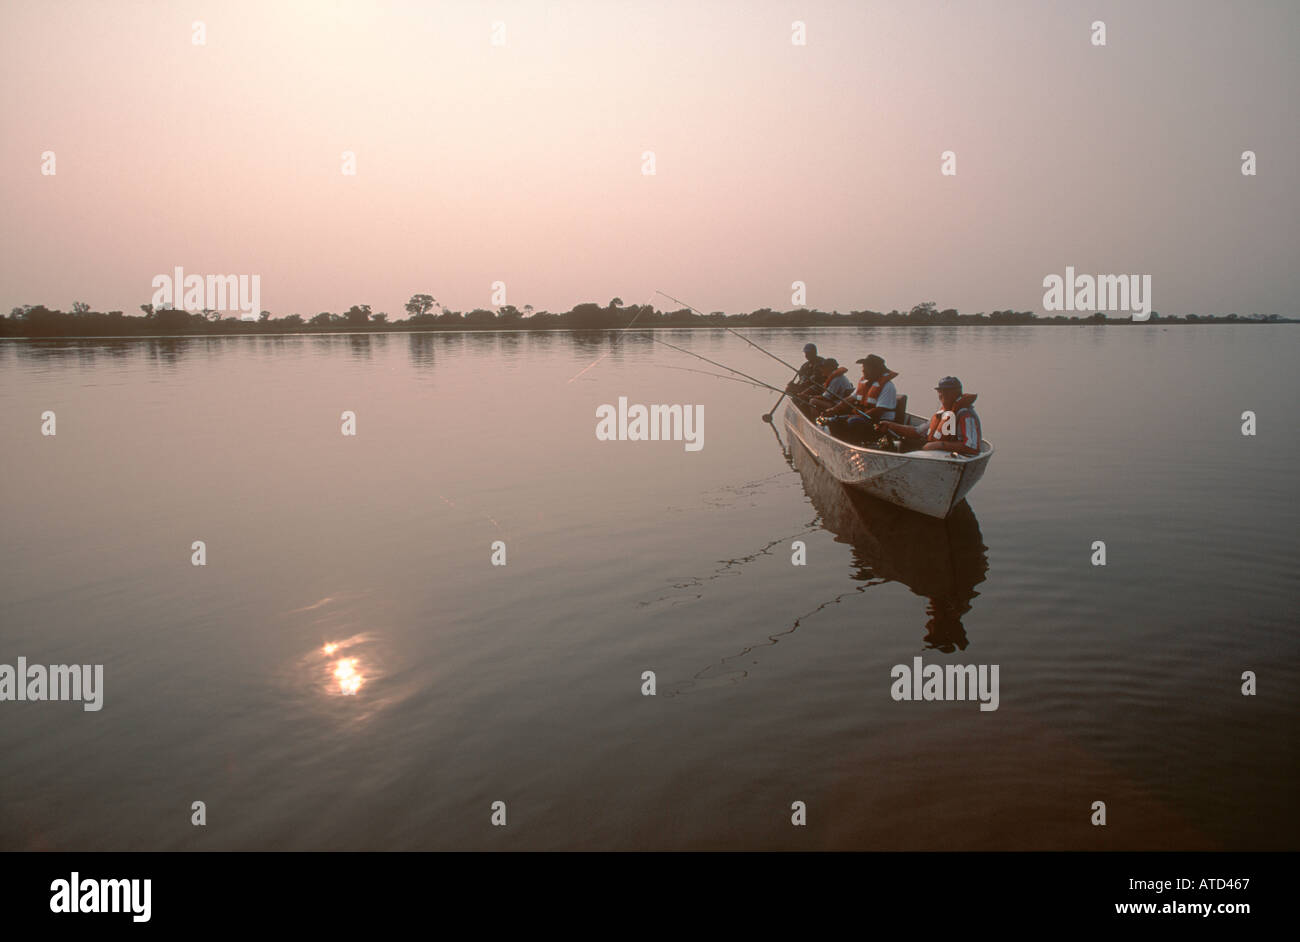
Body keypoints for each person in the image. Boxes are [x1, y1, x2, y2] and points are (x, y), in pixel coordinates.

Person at [880, 375, 981, 456]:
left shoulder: (965, 414)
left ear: (956, 393)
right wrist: (891, 425)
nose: (941, 395)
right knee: (901, 443)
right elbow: (917, 431)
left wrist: (938, 445)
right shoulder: (943, 413)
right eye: (940, 391)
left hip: (953, 457)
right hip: (935, 452)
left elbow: (971, 448)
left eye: (946, 392)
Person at [822, 354, 899, 444]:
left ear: (876, 370)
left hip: (880, 424)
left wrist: (857, 416)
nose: (863, 370)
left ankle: (856, 448)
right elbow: (850, 399)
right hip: (863, 419)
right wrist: (834, 409)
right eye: (863, 367)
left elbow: (879, 411)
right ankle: (841, 446)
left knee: (854, 422)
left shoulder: (888, 386)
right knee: (834, 421)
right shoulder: (865, 383)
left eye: (866, 367)